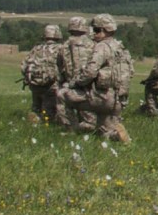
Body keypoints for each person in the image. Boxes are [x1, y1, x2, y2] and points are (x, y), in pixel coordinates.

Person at [57, 13, 134, 143]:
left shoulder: (101, 47)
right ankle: (116, 136)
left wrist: (74, 84)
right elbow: (130, 71)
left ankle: (71, 131)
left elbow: (90, 72)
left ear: (104, 30)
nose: (95, 33)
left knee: (62, 95)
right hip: (118, 101)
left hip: (102, 98)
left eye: (97, 30)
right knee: (102, 131)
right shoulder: (121, 48)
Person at [56, 16, 97, 131]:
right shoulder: (93, 45)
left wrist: (66, 82)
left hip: (71, 87)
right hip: (90, 87)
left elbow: (59, 67)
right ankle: (88, 125)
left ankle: (70, 127)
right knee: (90, 119)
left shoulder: (64, 46)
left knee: (61, 97)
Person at [20, 24, 62, 124]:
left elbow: (23, 66)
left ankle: (33, 125)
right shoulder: (61, 49)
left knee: (36, 108)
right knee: (49, 112)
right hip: (52, 85)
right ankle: (47, 128)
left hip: (35, 85)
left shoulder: (36, 49)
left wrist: (31, 78)